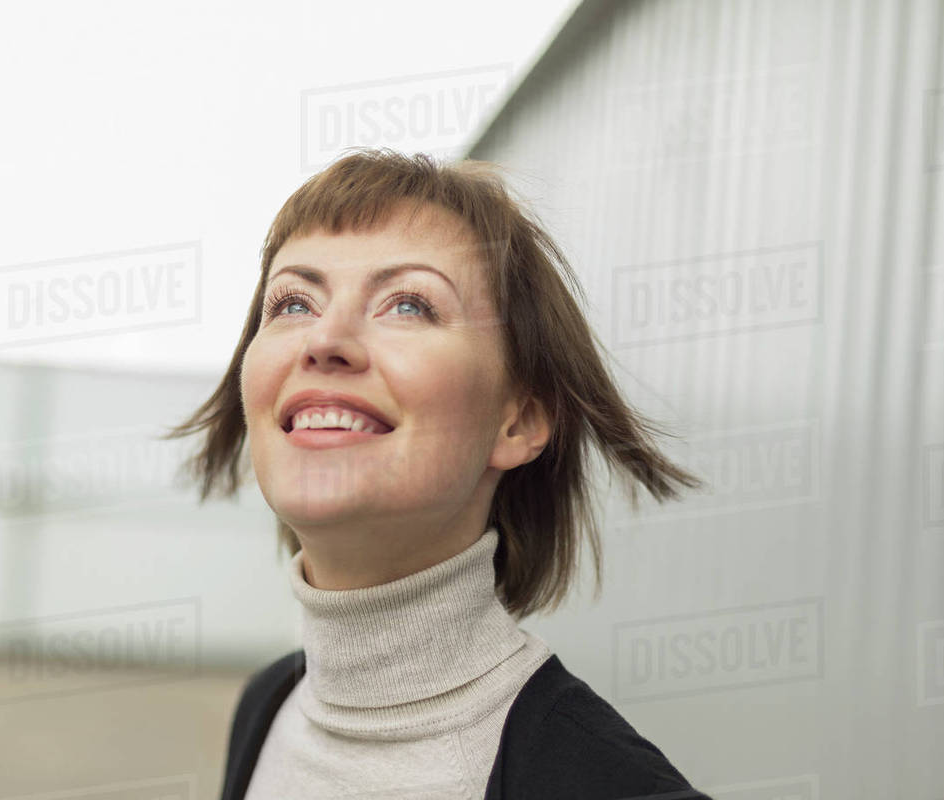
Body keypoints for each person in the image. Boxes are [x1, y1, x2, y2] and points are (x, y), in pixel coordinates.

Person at [168, 148, 713, 800]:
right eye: (293, 303)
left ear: (518, 421)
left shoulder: (607, 784)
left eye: (408, 305)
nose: (324, 340)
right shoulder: (265, 710)